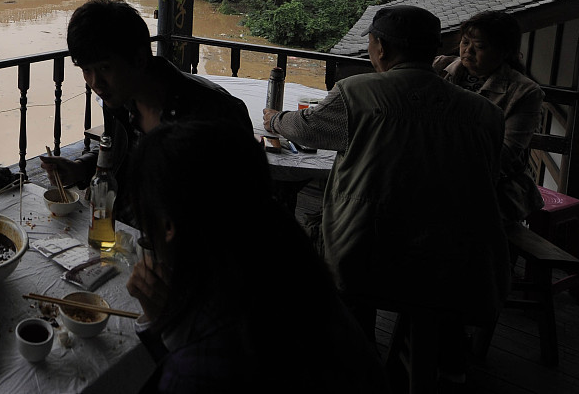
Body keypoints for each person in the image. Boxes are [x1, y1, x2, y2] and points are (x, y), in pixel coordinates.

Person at [264, 5, 510, 385]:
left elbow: (304, 130)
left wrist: (273, 120)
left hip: (371, 257)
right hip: (459, 265)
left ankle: (349, 355)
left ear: (379, 48)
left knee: (302, 237)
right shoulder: (485, 114)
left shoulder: (357, 93)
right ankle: (438, 361)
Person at [125, 121, 386, 392]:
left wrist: (169, 325)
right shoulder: (281, 252)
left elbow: (203, 367)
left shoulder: (217, 349)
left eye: (146, 228)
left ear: (168, 227)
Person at [39, 0, 252, 208]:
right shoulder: (121, 103)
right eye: (87, 70)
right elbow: (119, 153)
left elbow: (240, 206)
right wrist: (80, 168)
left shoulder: (216, 114)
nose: (96, 83)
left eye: (105, 68)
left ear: (139, 59)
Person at [434, 10, 546, 222]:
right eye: (465, 42)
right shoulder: (440, 68)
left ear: (504, 51)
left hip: (491, 185)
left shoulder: (524, 92)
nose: (468, 51)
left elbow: (506, 152)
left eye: (480, 46)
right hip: (437, 172)